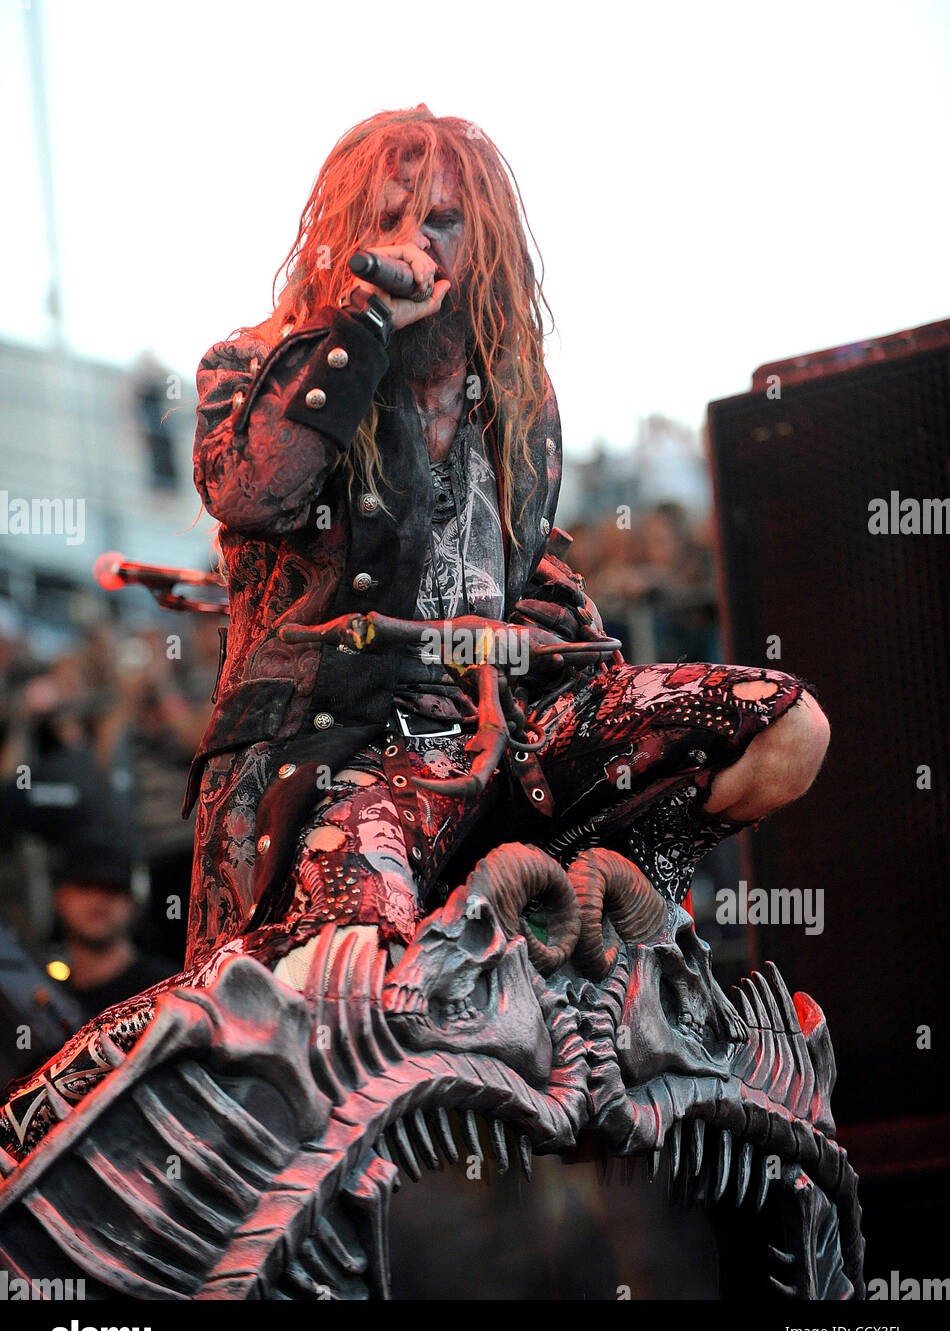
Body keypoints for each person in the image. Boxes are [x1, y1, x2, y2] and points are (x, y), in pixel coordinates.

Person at [0, 105, 829, 1159]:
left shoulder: (517, 405)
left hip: (491, 754)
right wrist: (358, 334)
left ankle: (624, 868)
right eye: (388, 219)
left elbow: (528, 574)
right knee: (363, 988)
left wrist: (578, 667)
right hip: (332, 759)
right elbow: (253, 492)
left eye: (441, 219)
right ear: (345, 232)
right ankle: (73, 1116)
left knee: (783, 725)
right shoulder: (255, 364)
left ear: (481, 237)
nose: (416, 242)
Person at [47, 838, 179, 1022]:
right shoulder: (46, 997)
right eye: (85, 886)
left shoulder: (170, 990)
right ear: (60, 897)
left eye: (113, 889)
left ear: (134, 905)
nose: (97, 902)